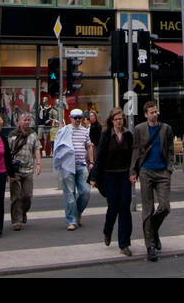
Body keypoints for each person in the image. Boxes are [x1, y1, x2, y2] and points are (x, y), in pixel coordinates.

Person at [130, 99, 176, 261]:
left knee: (165, 207)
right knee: (147, 209)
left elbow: (170, 149)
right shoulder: (139, 129)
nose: (155, 114)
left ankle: (153, 230)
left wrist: (169, 167)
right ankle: (150, 246)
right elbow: (136, 151)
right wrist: (133, 171)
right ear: (145, 115)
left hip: (162, 171)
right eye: (152, 112)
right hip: (146, 171)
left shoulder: (166, 129)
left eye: (156, 111)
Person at [96, 106, 134, 255]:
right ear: (112, 121)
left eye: (121, 119)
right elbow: (100, 156)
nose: (119, 122)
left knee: (125, 207)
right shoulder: (106, 135)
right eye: (116, 119)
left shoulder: (128, 135)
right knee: (113, 207)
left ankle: (124, 243)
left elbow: (132, 155)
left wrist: (133, 172)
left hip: (124, 174)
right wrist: (94, 177)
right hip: (109, 175)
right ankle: (107, 230)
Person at [53, 107, 93, 231]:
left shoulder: (85, 131)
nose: (77, 120)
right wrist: (59, 162)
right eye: (75, 118)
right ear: (70, 118)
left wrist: (91, 161)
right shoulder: (64, 130)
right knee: (69, 193)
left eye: (79, 118)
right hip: (67, 166)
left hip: (81, 165)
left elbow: (89, 147)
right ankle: (72, 220)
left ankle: (78, 212)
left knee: (86, 192)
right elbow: (58, 147)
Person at [7, 113, 42, 230]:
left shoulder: (33, 135)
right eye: (25, 120)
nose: (27, 122)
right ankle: (16, 221)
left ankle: (23, 211)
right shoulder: (12, 136)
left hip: (28, 169)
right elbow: (8, 153)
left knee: (27, 195)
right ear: (19, 121)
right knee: (15, 196)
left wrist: (38, 163)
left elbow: (37, 149)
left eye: (28, 120)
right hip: (15, 170)